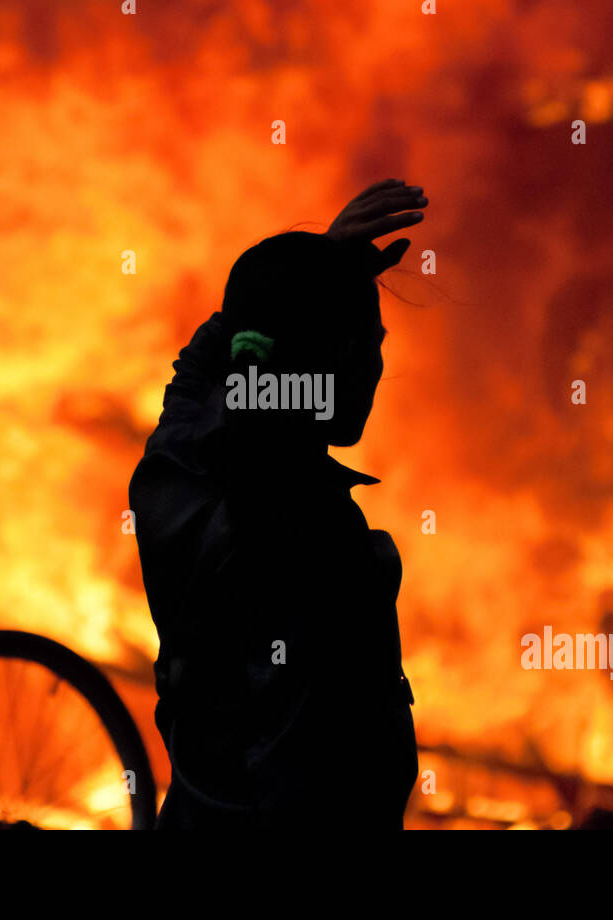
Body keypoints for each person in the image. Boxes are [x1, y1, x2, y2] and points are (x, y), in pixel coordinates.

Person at [130, 179, 428, 828]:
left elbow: (203, 367)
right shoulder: (325, 544)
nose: (379, 364)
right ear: (343, 361)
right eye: (372, 342)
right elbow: (320, 779)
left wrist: (309, 267)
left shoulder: (173, 487)